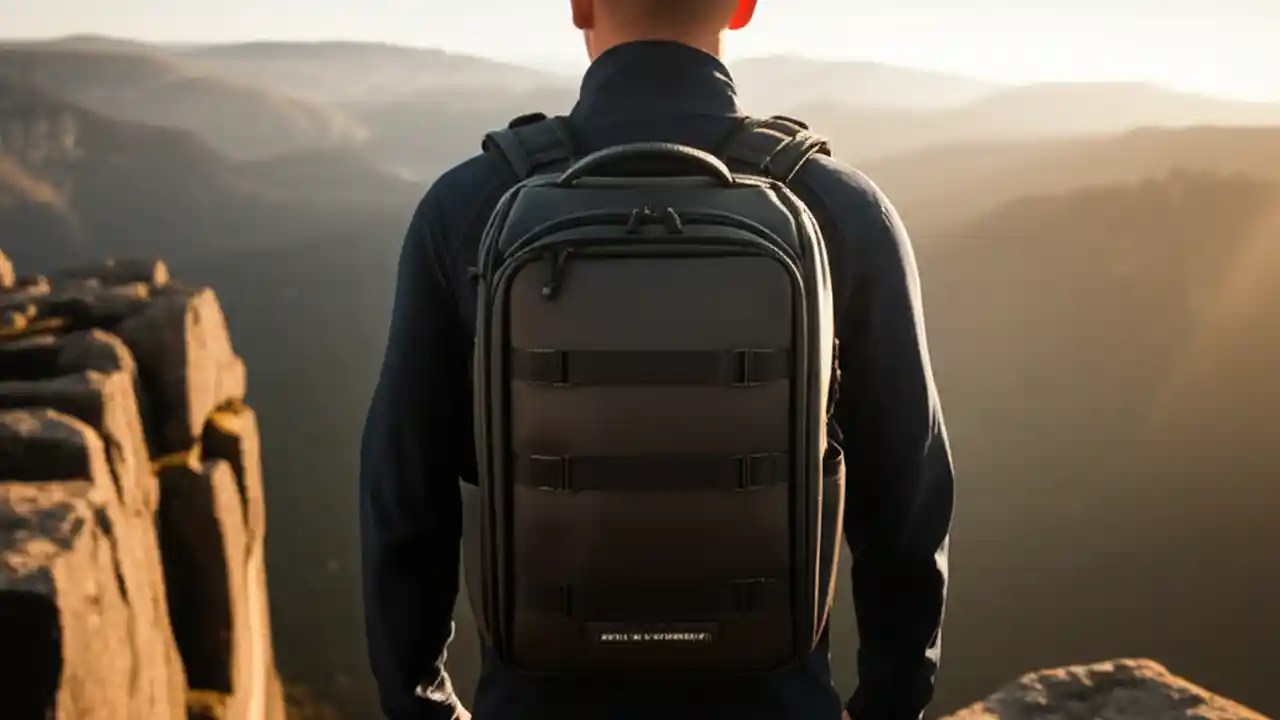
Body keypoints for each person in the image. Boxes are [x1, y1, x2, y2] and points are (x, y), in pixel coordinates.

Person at [359, 1, 955, 718]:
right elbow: (908, 502)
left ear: (579, 4)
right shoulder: (840, 207)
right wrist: (888, 705)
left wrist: (421, 702)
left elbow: (404, 494)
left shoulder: (469, 205)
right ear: (743, 8)